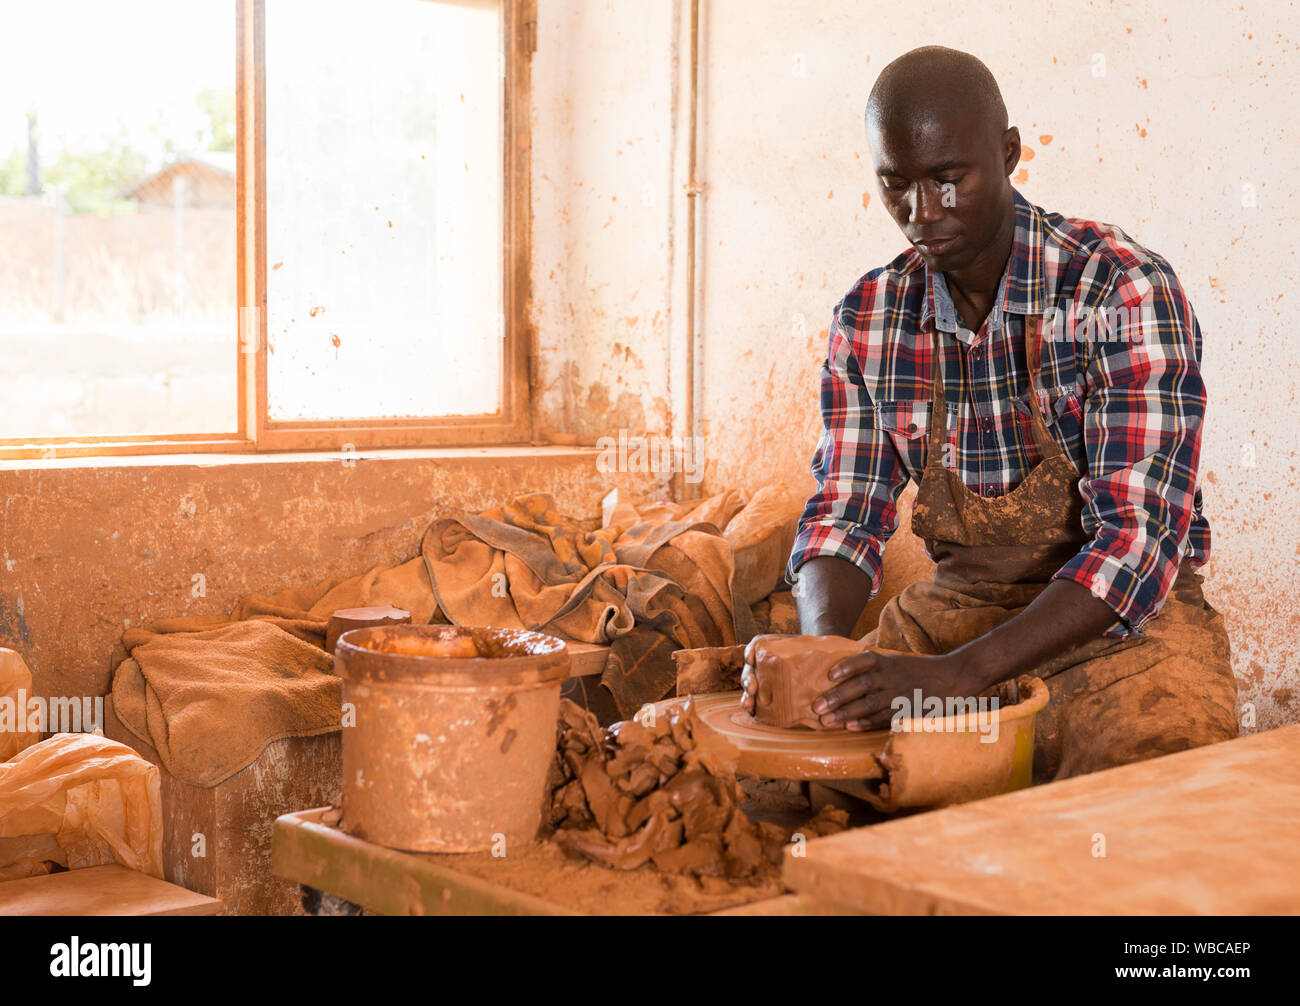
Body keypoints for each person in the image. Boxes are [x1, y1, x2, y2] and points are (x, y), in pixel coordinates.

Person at [742, 46, 1238, 782]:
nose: (921, 213)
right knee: (815, 789)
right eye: (896, 185)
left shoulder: (1119, 292)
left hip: (1124, 631)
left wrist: (959, 677)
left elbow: (1138, 542)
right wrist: (824, 654)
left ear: (1008, 153)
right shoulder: (872, 316)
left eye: (948, 179)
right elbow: (844, 512)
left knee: (1150, 798)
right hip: (957, 614)